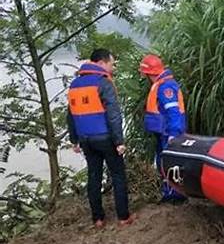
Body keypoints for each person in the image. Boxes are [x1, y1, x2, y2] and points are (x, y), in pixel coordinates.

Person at [67, 48, 135, 228]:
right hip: (105, 138)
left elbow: (71, 115)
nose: (113, 67)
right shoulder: (103, 83)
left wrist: (74, 140)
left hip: (86, 140)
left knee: (94, 176)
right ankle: (123, 217)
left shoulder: (74, 84)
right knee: (118, 175)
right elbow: (113, 115)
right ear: (101, 63)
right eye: (111, 63)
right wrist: (119, 142)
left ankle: (98, 219)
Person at [139, 54, 187, 204]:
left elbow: (174, 112)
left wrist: (173, 133)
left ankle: (177, 195)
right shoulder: (161, 84)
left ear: (149, 73)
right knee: (162, 161)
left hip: (169, 133)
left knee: (171, 163)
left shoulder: (166, 87)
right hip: (162, 132)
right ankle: (168, 193)